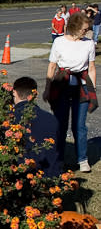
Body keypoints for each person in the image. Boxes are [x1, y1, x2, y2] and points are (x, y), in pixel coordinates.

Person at [42, 12, 97, 172]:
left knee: (80, 126)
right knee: (61, 123)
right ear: (74, 27)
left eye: (87, 29)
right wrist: (47, 88)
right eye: (84, 29)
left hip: (82, 86)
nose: (86, 32)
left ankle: (83, 159)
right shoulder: (59, 42)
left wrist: (92, 89)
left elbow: (91, 68)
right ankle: (58, 158)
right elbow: (52, 67)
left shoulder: (89, 44)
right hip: (62, 84)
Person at [11, 77, 61, 178]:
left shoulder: (10, 119)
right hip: (50, 175)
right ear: (34, 94)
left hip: (22, 176)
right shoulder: (51, 118)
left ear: (14, 92)